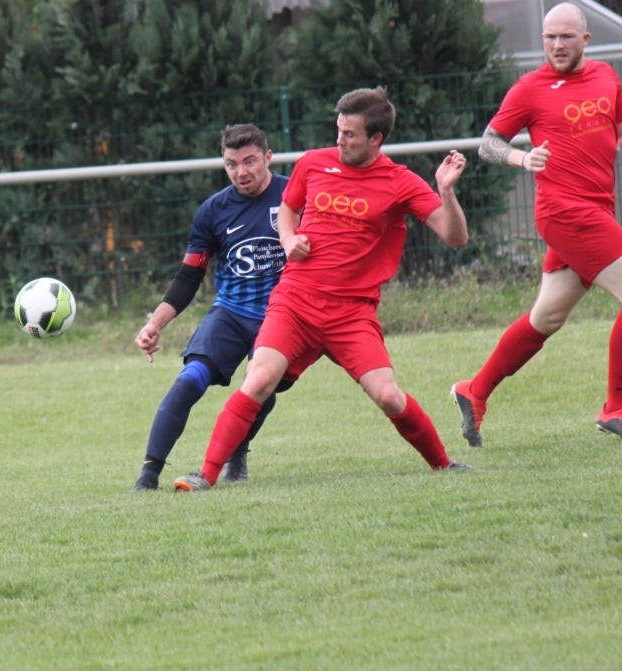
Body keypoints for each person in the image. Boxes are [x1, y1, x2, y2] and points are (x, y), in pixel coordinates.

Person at [173, 87, 471, 492]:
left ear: (376, 139)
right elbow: (288, 210)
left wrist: (447, 191)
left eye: (350, 134)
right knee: (259, 379)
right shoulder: (314, 163)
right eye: (338, 130)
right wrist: (288, 239)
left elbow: (455, 237)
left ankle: (443, 463)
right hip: (294, 301)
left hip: (351, 313)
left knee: (388, 396)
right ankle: (205, 475)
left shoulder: (400, 182)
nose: (340, 140)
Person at [452, 2, 622, 447]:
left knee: (546, 317)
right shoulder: (529, 89)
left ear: (585, 40)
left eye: (566, 36)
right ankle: (616, 407)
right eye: (549, 37)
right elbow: (489, 145)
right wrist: (521, 157)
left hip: (596, 210)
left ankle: (474, 391)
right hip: (565, 212)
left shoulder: (606, 76)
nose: (556, 45)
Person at [133, 124, 294, 491]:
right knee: (189, 380)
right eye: (232, 164)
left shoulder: (294, 194)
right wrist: (155, 323)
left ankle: (237, 453)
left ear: (268, 158)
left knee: (261, 385)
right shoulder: (213, 211)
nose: (242, 172)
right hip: (231, 313)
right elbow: (189, 277)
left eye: (250, 161)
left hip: (284, 316)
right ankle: (148, 474)